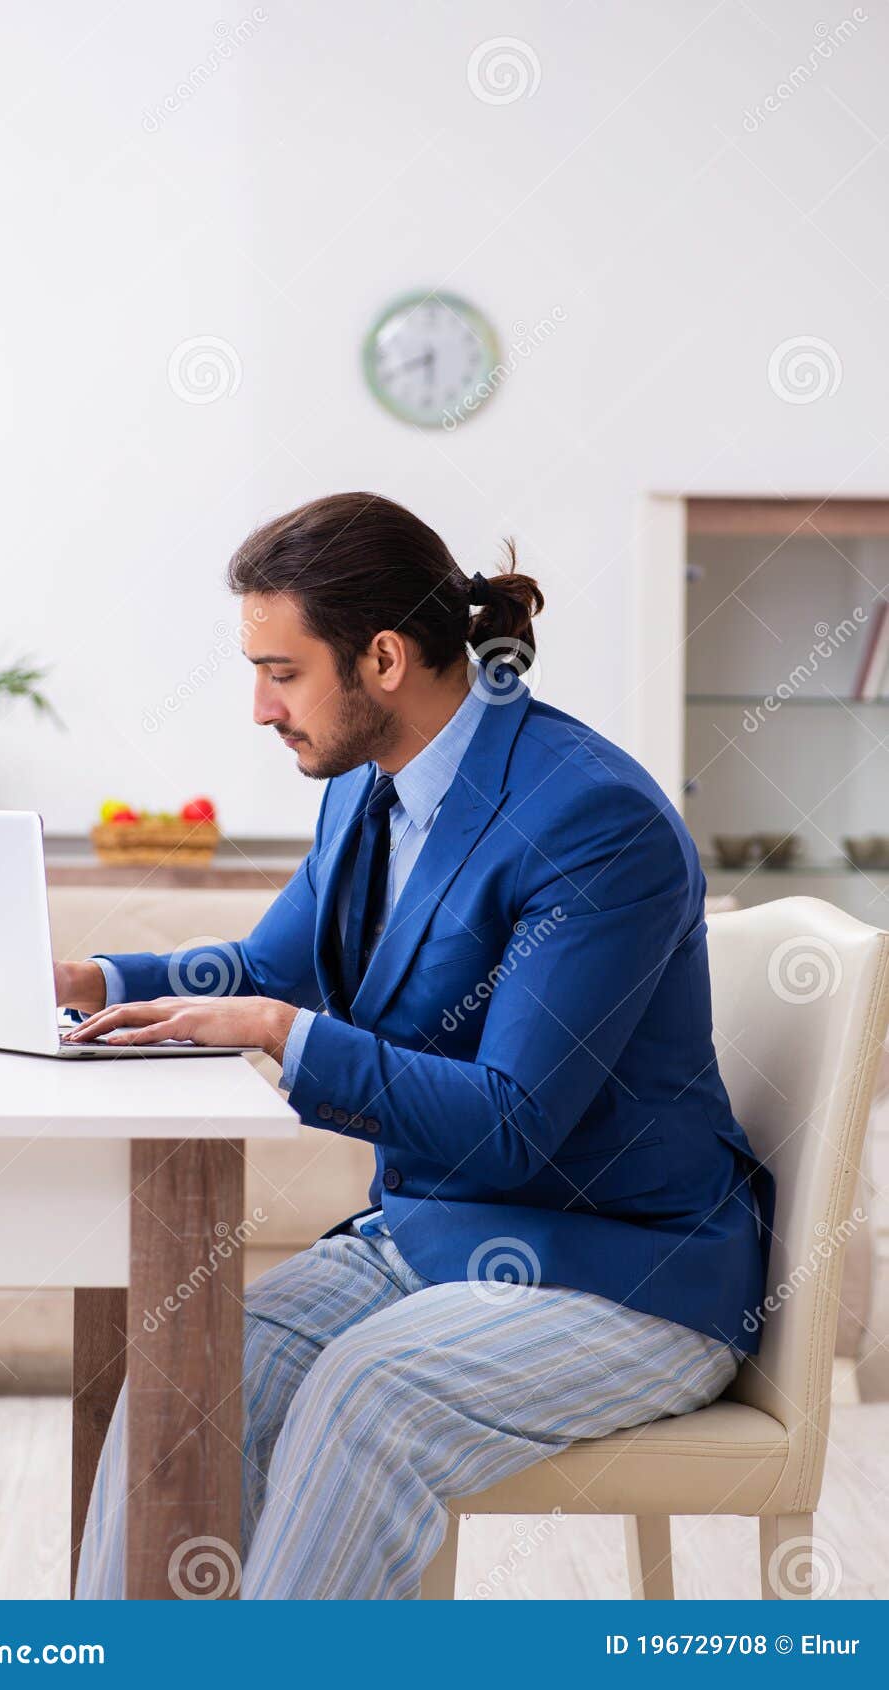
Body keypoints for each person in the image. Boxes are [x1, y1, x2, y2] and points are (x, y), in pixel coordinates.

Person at [61, 491, 773, 1600]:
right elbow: (272, 965)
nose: (258, 706)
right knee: (197, 1374)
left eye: (281, 671)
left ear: (383, 658)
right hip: (436, 1238)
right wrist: (92, 981)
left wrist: (286, 1037)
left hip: (627, 1271)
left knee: (368, 1394)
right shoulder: (365, 788)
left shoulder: (593, 821)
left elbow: (512, 1125)